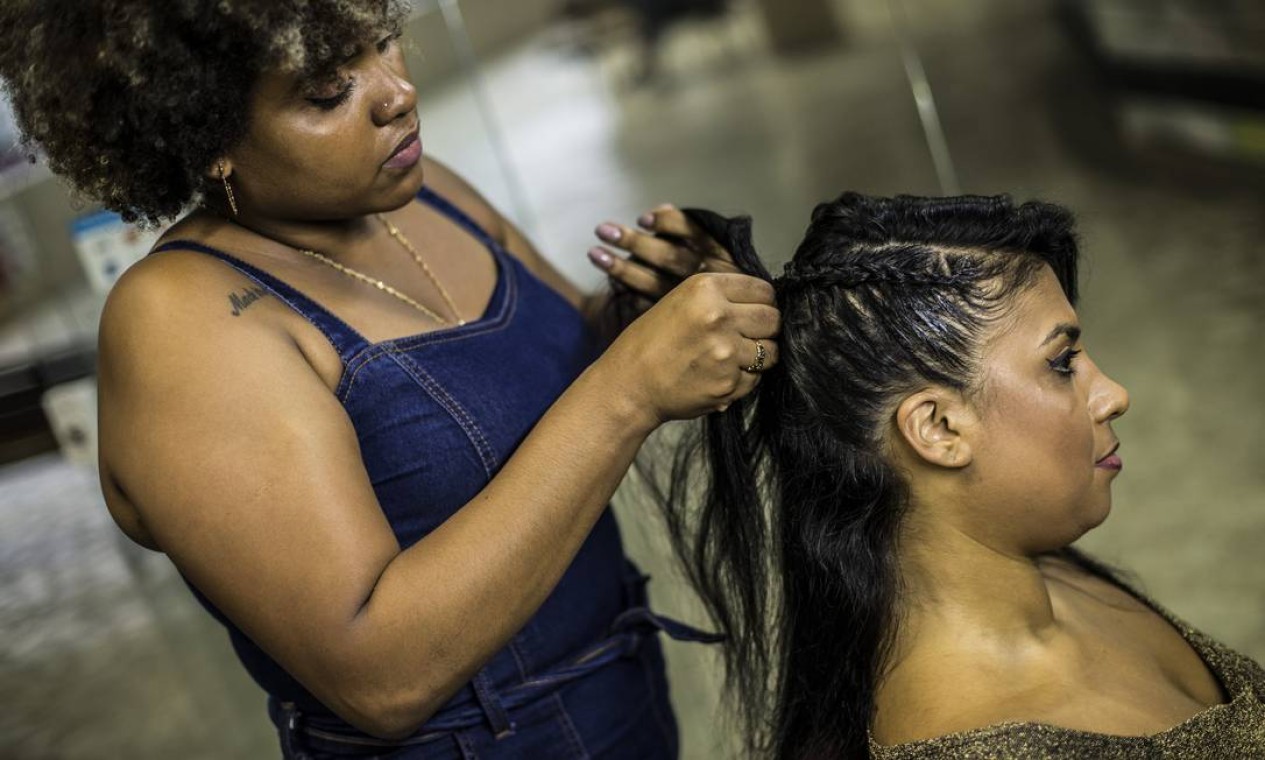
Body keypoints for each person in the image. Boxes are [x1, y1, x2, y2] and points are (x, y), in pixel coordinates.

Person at [0, 1, 781, 757]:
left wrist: (646, 314)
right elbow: (380, 680)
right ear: (205, 134)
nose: (398, 94)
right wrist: (630, 389)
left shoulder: (418, 190)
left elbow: (548, 367)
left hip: (622, 697)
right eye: (328, 91)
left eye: (380, 38)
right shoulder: (185, 324)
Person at [650, 193, 1265, 759]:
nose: (1113, 395)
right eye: (1063, 363)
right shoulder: (972, 741)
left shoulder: (1061, 580)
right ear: (939, 428)